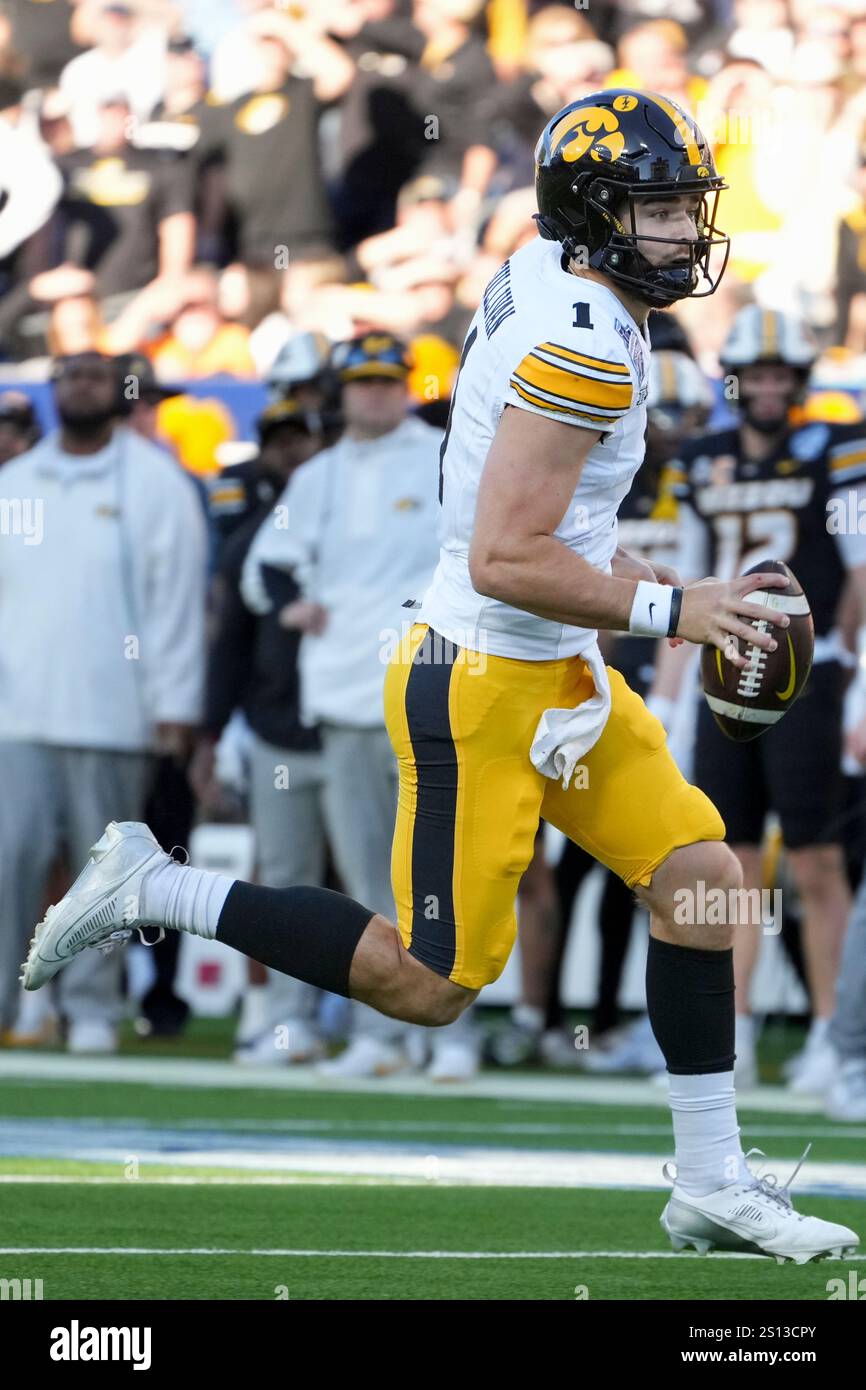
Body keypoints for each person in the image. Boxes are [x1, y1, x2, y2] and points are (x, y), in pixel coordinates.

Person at [21, 91, 859, 1262]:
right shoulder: (582, 336)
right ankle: (153, 888)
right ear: (594, 216)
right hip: (478, 680)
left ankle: (711, 1180)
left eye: (685, 206)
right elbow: (505, 553)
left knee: (701, 877)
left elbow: (534, 513)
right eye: (659, 209)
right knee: (427, 984)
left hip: (550, 668)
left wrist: (635, 575)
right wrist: (679, 610)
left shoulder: (559, 279)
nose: (683, 233)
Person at [657, 306, 866, 1096]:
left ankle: (830, 1033)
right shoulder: (704, 457)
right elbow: (695, 576)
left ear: (801, 383)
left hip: (807, 676)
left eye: (784, 376)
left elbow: (860, 569)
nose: (771, 389)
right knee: (727, 861)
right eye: (762, 375)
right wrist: (671, 707)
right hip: (723, 671)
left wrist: (852, 674)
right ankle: (730, 1029)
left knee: (814, 860)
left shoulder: (835, 450)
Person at [1, 350, 206, 1050]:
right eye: (69, 376)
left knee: (105, 874)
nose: (81, 386)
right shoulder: (18, 481)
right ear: (53, 390)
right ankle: (10, 1004)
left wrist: (175, 700)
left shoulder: (155, 483)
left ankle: (91, 1006)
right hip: (18, 713)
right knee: (11, 859)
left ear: (118, 392)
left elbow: (174, 601)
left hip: (116, 713)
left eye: (95, 376)